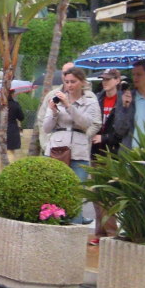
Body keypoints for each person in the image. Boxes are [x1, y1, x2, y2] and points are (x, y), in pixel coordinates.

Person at [40, 66, 101, 222]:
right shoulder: (55, 98)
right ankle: (55, 222)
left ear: (82, 82)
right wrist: (53, 111)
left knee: (77, 191)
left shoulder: (90, 101)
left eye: (73, 82)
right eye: (67, 82)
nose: (69, 85)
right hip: (57, 149)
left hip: (79, 150)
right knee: (55, 190)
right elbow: (46, 127)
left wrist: (68, 106)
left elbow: (87, 122)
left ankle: (75, 225)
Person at [89, 69, 126, 243]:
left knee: (109, 194)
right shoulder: (98, 98)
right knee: (97, 194)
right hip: (96, 152)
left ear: (118, 80)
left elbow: (124, 129)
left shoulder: (124, 101)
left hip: (114, 153)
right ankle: (100, 233)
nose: (105, 82)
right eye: (103, 79)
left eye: (109, 79)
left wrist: (105, 137)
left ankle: (111, 232)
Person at [0, 91, 25, 162]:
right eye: (14, 93)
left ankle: (1, 171)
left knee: (1, 152)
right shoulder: (15, 105)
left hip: (1, 131)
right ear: (11, 94)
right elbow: (21, 117)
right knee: (10, 152)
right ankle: (9, 170)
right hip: (12, 131)